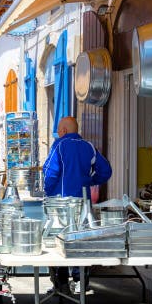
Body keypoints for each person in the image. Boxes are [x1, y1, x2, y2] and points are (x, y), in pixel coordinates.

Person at [43, 116, 112, 294]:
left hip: (62, 204)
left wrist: (48, 193)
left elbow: (50, 172)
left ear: (64, 130)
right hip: (83, 203)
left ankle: (62, 283)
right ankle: (81, 281)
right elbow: (106, 171)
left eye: (59, 129)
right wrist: (90, 181)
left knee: (59, 240)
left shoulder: (59, 146)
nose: (58, 132)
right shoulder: (88, 147)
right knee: (82, 240)